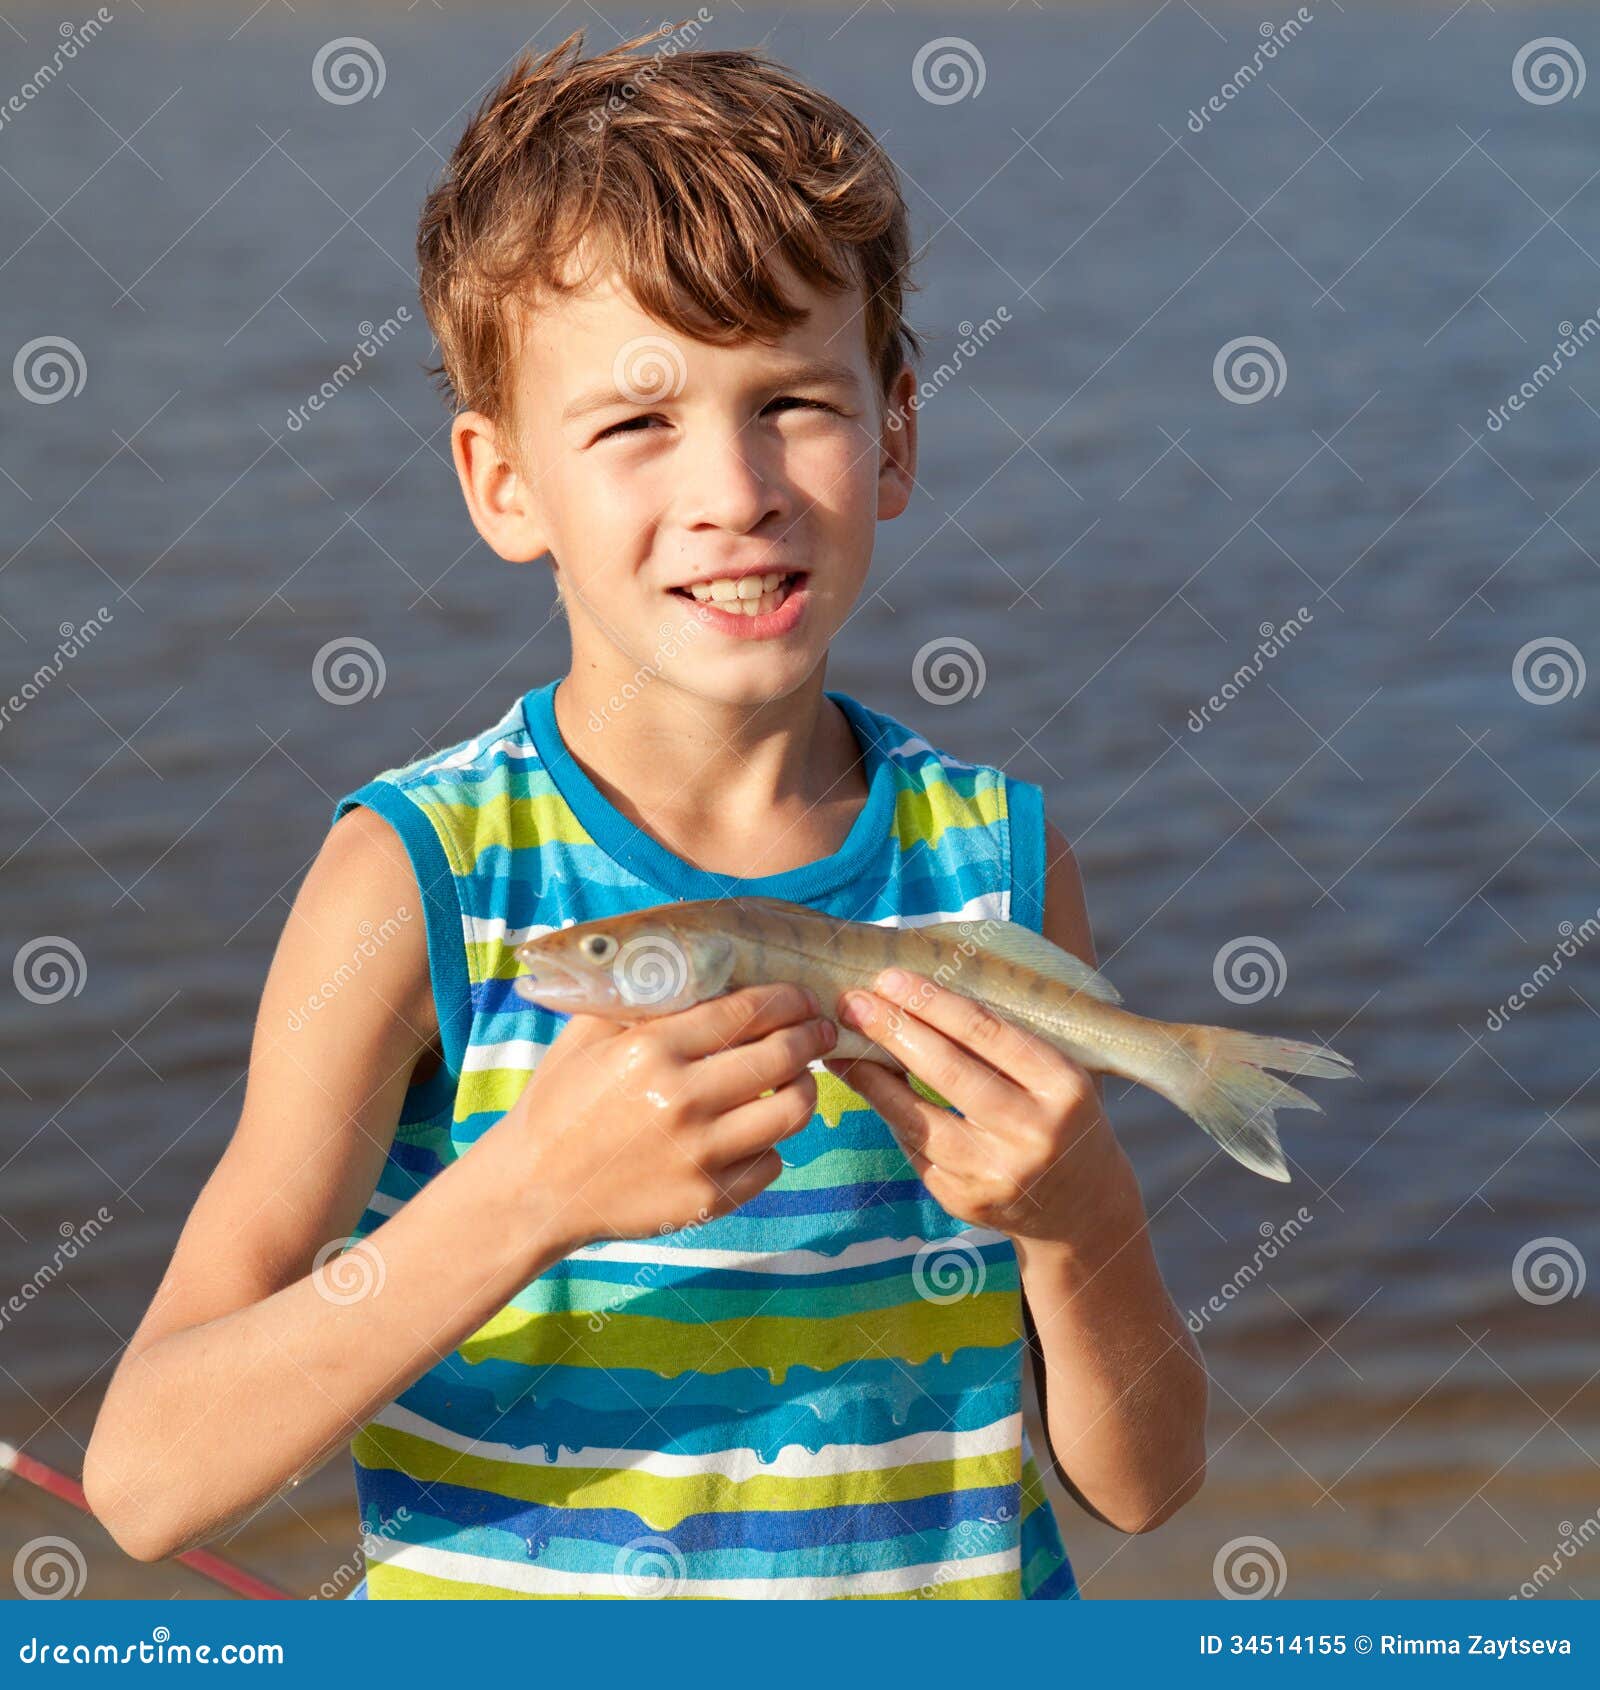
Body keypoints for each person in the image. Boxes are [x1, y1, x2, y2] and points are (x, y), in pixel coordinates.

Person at [84, 26, 1206, 1599]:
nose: (734, 491)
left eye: (793, 402)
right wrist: (523, 1198)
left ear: (894, 434)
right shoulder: (417, 881)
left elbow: (1147, 1485)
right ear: (502, 483)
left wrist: (1085, 1218)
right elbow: (147, 1476)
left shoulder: (998, 861)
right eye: (635, 423)